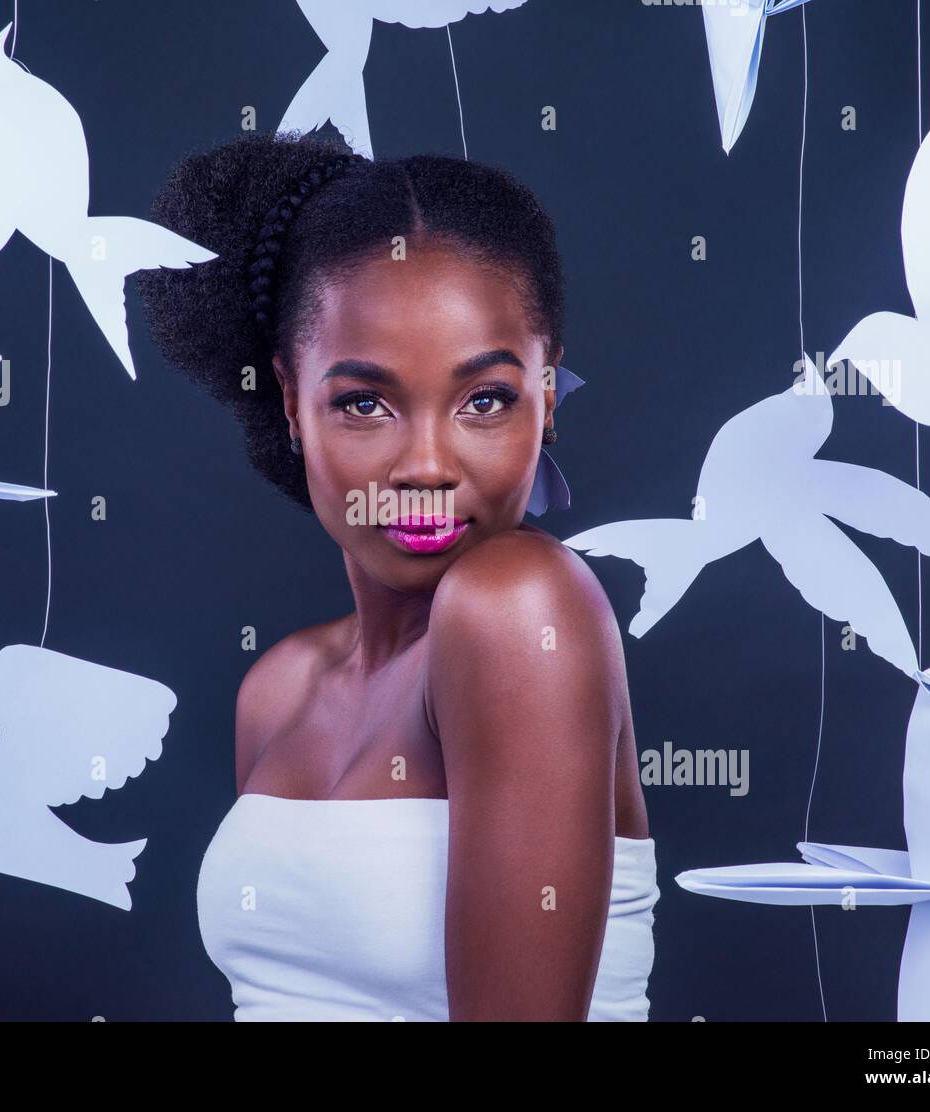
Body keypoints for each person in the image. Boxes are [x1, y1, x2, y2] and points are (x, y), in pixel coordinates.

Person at [138, 131, 656, 1021]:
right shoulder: (278, 690)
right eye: (364, 402)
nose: (425, 467)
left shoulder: (521, 607)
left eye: (485, 399)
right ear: (291, 402)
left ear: (546, 396)